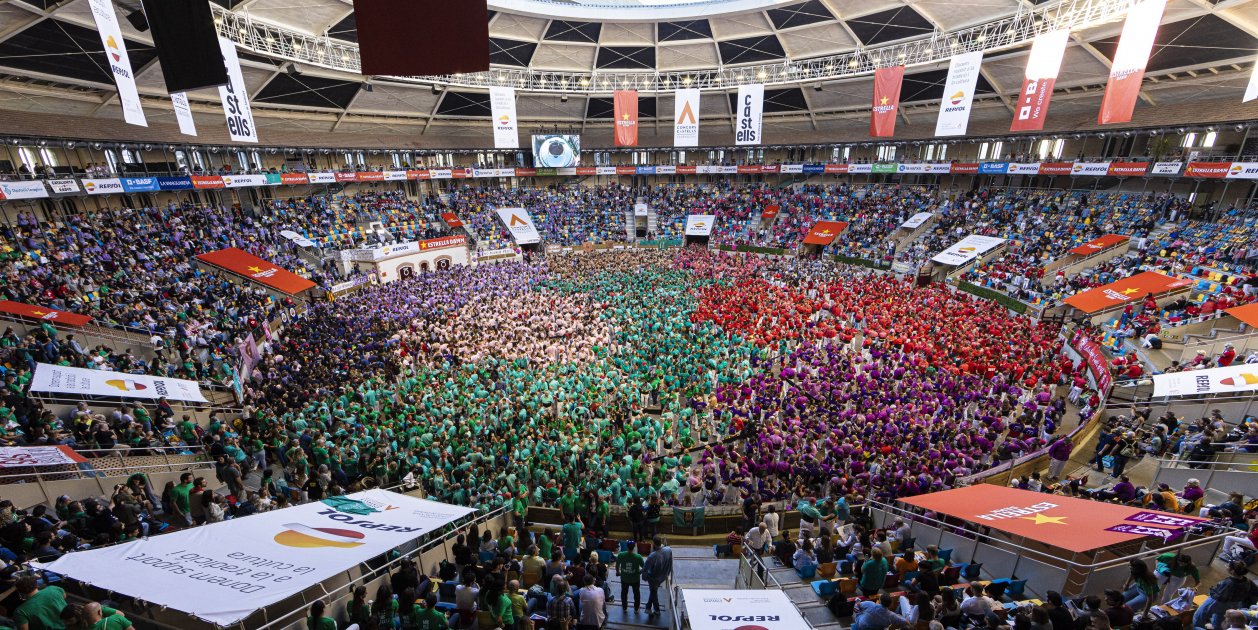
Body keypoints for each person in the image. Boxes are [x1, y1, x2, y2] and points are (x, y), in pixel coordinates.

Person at [1192, 561, 1257, 630]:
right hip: (1234, 604)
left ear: (1233, 571)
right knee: (1220, 619)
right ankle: (1216, 627)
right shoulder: (1247, 581)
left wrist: (1211, 592)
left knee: (1199, 615)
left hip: (1219, 602)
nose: (1226, 566)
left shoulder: (1229, 583)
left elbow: (1216, 596)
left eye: (1228, 566)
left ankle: (1198, 627)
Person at [643, 536, 673, 617]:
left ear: (654, 544)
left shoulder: (652, 556)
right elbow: (670, 562)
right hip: (663, 575)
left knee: (653, 592)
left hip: (654, 578)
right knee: (654, 591)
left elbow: (645, 568)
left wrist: (644, 577)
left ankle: (654, 609)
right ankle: (649, 608)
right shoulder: (668, 550)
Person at [615, 541, 645, 613]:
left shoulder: (621, 555)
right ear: (634, 547)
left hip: (624, 578)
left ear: (627, 546)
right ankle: (636, 608)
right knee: (636, 593)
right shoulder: (638, 557)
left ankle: (624, 607)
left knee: (624, 593)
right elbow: (644, 568)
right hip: (635, 579)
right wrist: (639, 572)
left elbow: (617, 565)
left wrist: (618, 572)